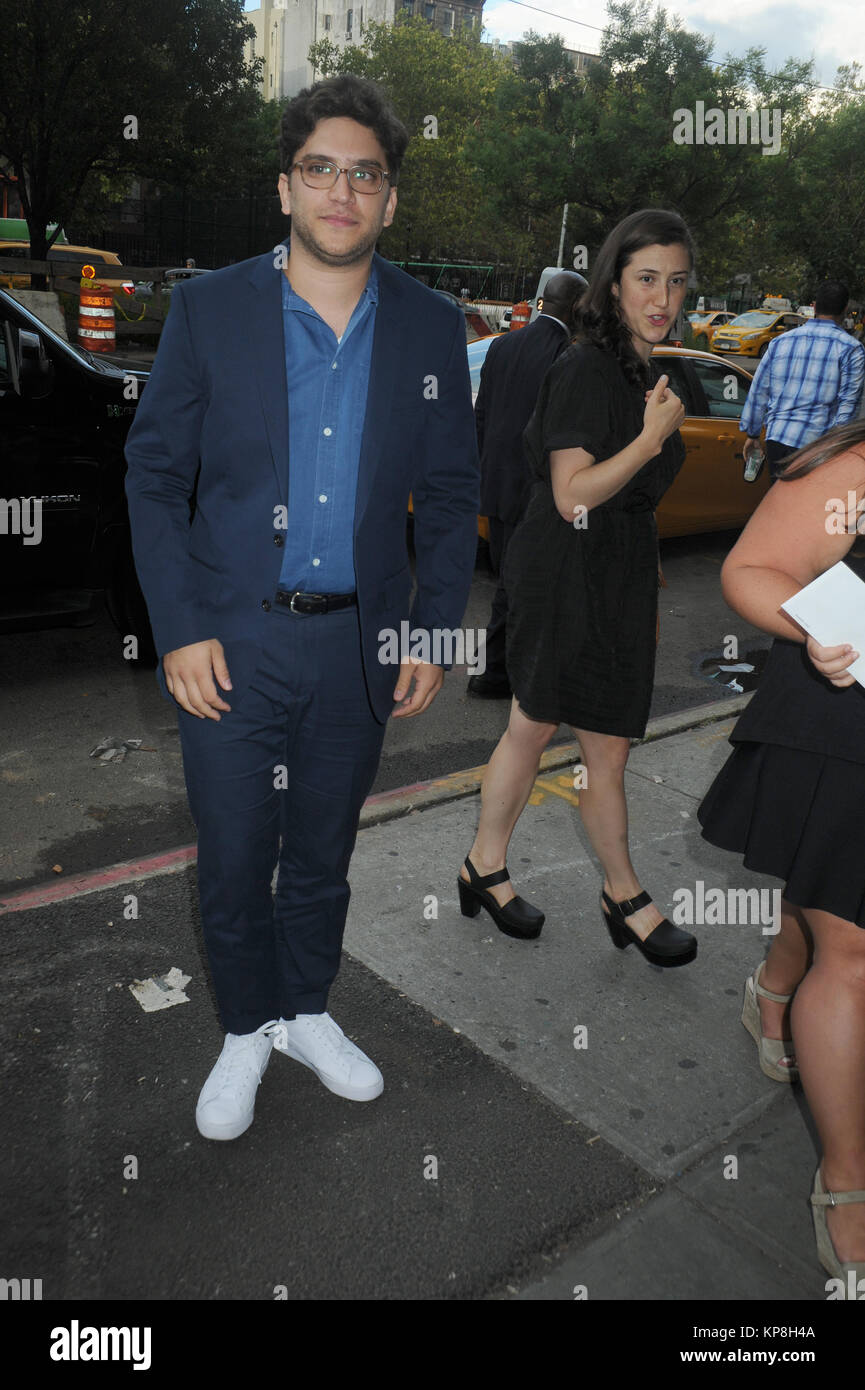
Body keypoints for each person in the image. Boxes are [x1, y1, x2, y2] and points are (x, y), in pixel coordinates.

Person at [124, 74, 479, 1141]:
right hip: (229, 641)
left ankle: (305, 1011)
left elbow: (454, 491)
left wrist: (433, 621)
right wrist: (180, 624)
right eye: (319, 169)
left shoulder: (426, 325)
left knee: (322, 852)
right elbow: (153, 478)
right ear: (286, 187)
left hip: (356, 646)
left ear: (388, 200)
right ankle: (245, 1025)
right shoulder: (209, 309)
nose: (341, 190)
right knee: (235, 852)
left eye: (362, 173)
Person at [457, 208, 698, 967]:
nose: (662, 298)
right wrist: (650, 439)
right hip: (563, 571)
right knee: (539, 729)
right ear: (615, 283)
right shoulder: (586, 366)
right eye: (645, 279)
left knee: (603, 742)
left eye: (676, 282)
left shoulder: (644, 370)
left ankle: (501, 868)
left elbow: (626, 500)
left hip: (614, 573)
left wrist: (642, 567)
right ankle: (608, 891)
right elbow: (572, 494)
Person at [697, 419, 865, 1291]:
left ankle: (770, 987)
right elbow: (751, 569)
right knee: (854, 948)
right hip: (846, 725)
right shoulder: (852, 470)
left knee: (824, 902)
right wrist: (813, 634)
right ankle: (846, 1183)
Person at [467, 271, 587, 698]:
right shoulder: (566, 356)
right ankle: (499, 674)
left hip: (497, 485)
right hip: (536, 492)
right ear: (575, 308)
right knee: (523, 586)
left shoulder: (503, 346)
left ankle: (497, 671)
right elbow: (555, 434)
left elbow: (481, 418)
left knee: (510, 582)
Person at [740, 280, 865, 479]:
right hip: (816, 447)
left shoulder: (780, 342)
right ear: (845, 309)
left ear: (814, 306)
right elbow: (847, 408)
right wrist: (838, 450)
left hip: (777, 440)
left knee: (779, 503)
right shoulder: (851, 349)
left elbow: (759, 391)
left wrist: (752, 434)